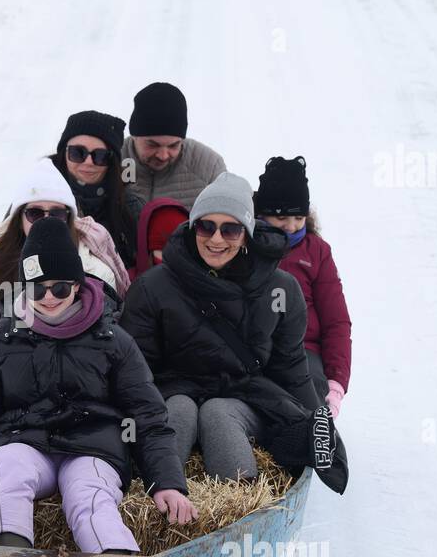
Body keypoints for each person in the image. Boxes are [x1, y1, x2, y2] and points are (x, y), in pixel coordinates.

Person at [0, 218, 195, 552]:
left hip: (94, 447)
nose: (49, 297)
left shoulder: (112, 340)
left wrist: (165, 482)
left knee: (89, 493)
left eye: (60, 288)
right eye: (38, 288)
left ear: (77, 285)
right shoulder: (0, 342)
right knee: (5, 470)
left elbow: (148, 416)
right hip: (23, 443)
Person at [119, 173, 320, 481]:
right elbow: (136, 371)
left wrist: (317, 426)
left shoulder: (280, 289)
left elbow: (290, 367)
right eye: (206, 226)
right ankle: (151, 499)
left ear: (247, 234)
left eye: (230, 229)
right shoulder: (152, 288)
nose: (215, 239)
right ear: (192, 227)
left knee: (217, 413)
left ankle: (243, 518)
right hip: (173, 393)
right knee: (182, 410)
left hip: (245, 398)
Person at [0, 160, 131, 434]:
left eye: (57, 213)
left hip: (82, 404)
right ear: (20, 217)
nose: (47, 220)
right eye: (35, 213)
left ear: (70, 217)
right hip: (10, 402)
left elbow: (114, 348)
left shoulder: (93, 268)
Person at [254, 156, 352, 418]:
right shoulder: (245, 245)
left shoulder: (316, 252)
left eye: (298, 217)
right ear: (260, 214)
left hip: (303, 349)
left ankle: (317, 443)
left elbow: (336, 321)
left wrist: (336, 382)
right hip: (254, 345)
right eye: (281, 218)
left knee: (310, 388)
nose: (291, 227)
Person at [48, 110, 142, 267]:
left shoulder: (130, 206)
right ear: (63, 153)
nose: (88, 162)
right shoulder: (38, 199)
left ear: (112, 161)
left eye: (100, 156)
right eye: (77, 153)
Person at [121, 82, 227, 208]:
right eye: (152, 145)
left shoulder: (209, 166)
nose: (163, 156)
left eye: (173, 146)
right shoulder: (111, 158)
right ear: (134, 136)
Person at [132, 197, 189, 280]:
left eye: (182, 250)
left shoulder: (202, 280)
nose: (173, 258)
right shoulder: (129, 285)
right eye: (163, 250)